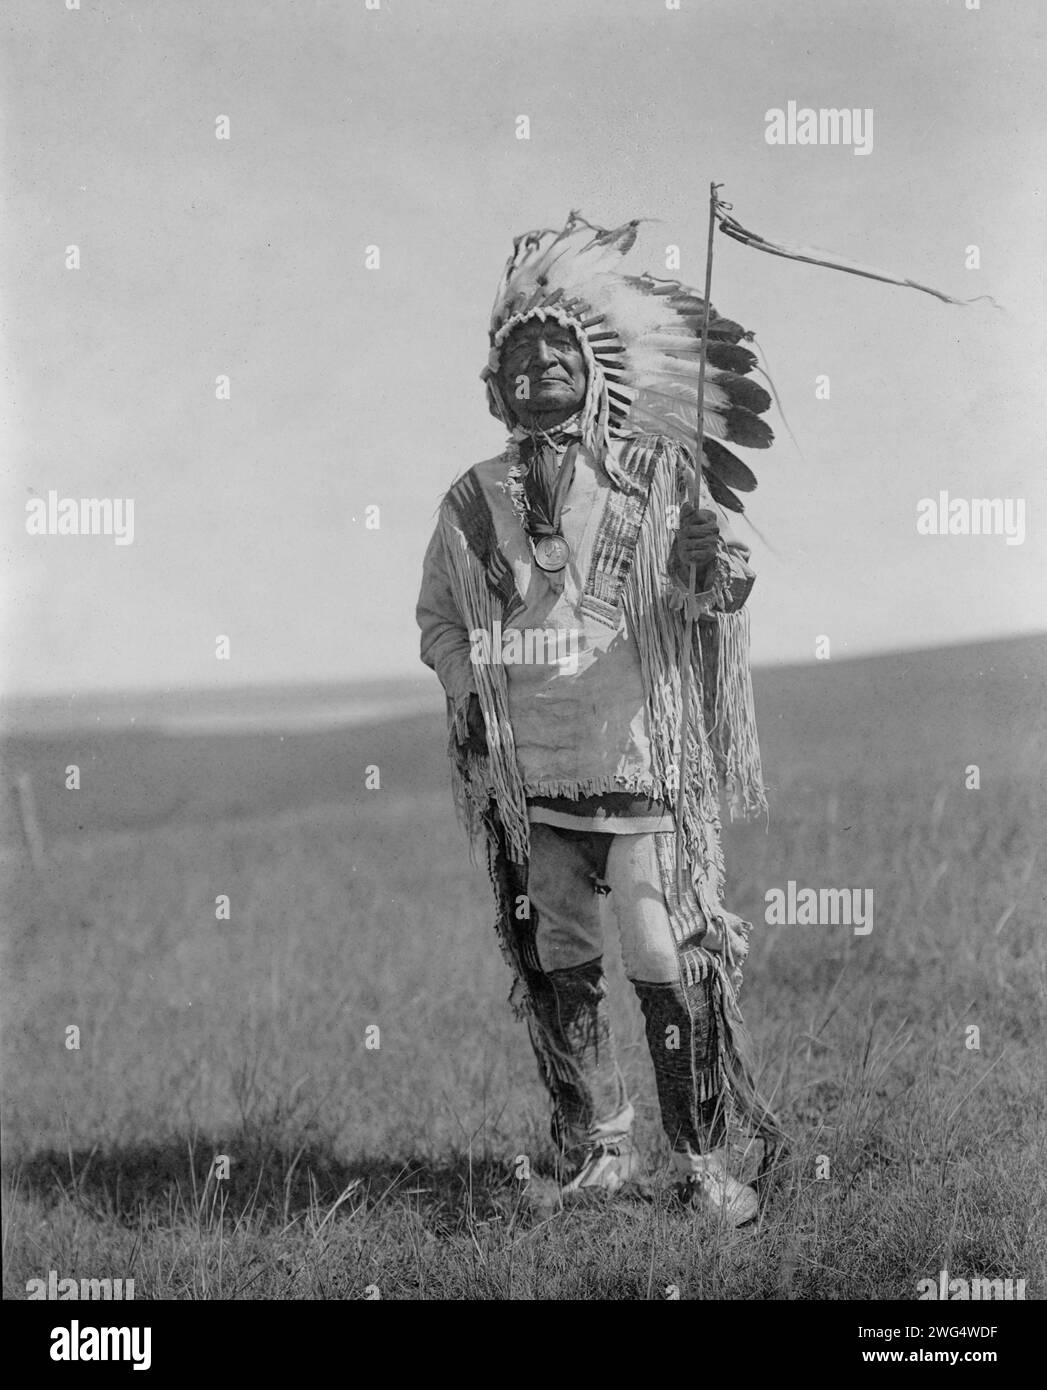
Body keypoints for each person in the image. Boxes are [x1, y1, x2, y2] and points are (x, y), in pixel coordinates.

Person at [416, 213, 782, 1225]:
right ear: (493, 389)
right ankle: (600, 1150)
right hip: (534, 784)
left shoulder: (656, 475)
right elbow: (438, 620)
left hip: (640, 766)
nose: (537, 380)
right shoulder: (469, 501)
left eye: (553, 360)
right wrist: (470, 693)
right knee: (560, 961)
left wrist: (714, 567)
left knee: (663, 954)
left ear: (592, 370)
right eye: (518, 366)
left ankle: (702, 1161)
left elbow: (710, 597)